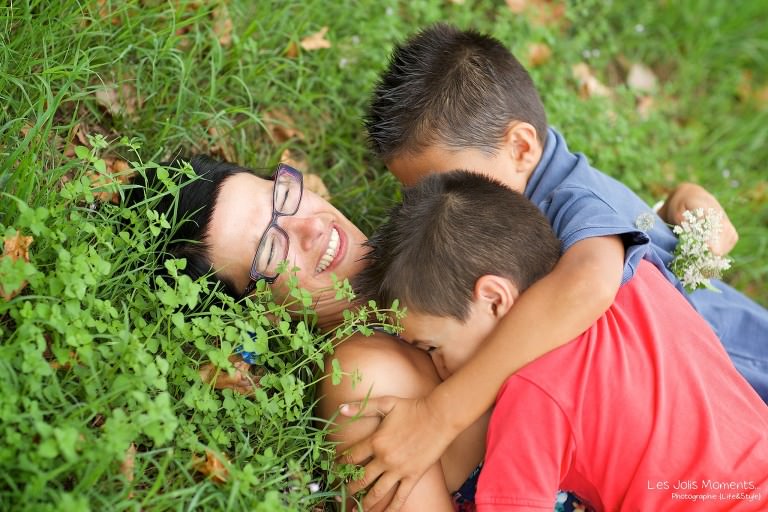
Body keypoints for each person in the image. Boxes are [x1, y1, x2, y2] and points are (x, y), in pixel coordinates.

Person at [341, 24, 768, 509]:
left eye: (449, 182)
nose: (444, 203)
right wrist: (678, 203)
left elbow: (586, 286)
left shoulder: (571, 198)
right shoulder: (533, 197)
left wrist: (442, 414)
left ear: (522, 148)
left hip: (740, 384)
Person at [354, 170, 768, 511]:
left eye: (432, 348)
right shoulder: (634, 276)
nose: (438, 369)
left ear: (495, 299)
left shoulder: (532, 398)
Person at [140, 155, 488, 511]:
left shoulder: (443, 223)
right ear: (262, 312)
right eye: (269, 250)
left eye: (281, 196)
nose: (311, 229)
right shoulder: (362, 378)